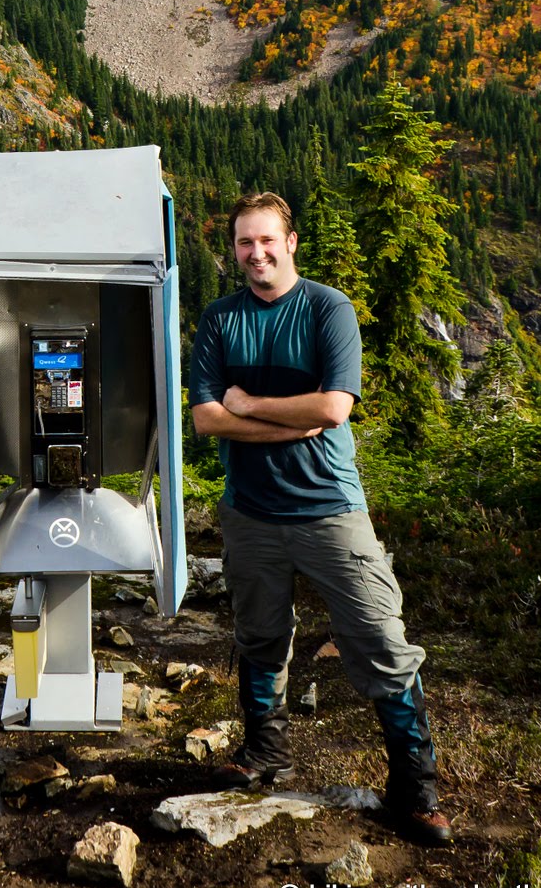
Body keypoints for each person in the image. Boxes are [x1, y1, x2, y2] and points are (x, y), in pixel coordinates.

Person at [188, 192, 452, 845]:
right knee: (259, 636)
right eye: (245, 243)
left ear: (291, 241)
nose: (256, 253)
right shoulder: (220, 320)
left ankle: (414, 788)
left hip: (330, 509)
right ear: (234, 250)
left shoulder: (327, 308)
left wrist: (249, 407)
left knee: (380, 638)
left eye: (267, 240)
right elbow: (205, 419)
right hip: (249, 515)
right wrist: (282, 419)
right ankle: (263, 752)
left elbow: (334, 410)